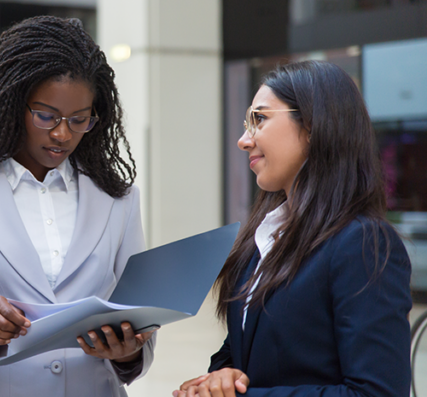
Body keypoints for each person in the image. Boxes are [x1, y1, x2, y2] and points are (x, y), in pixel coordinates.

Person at [0, 16, 155, 397]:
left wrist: (128, 353)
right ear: (12, 104)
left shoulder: (119, 200)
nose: (62, 133)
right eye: (46, 116)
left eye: (80, 120)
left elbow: (141, 319)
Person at [174, 60, 412, 397]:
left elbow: (376, 392)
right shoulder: (262, 240)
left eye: (259, 119)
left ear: (314, 125)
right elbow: (244, 354)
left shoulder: (361, 242)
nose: (244, 140)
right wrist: (220, 380)